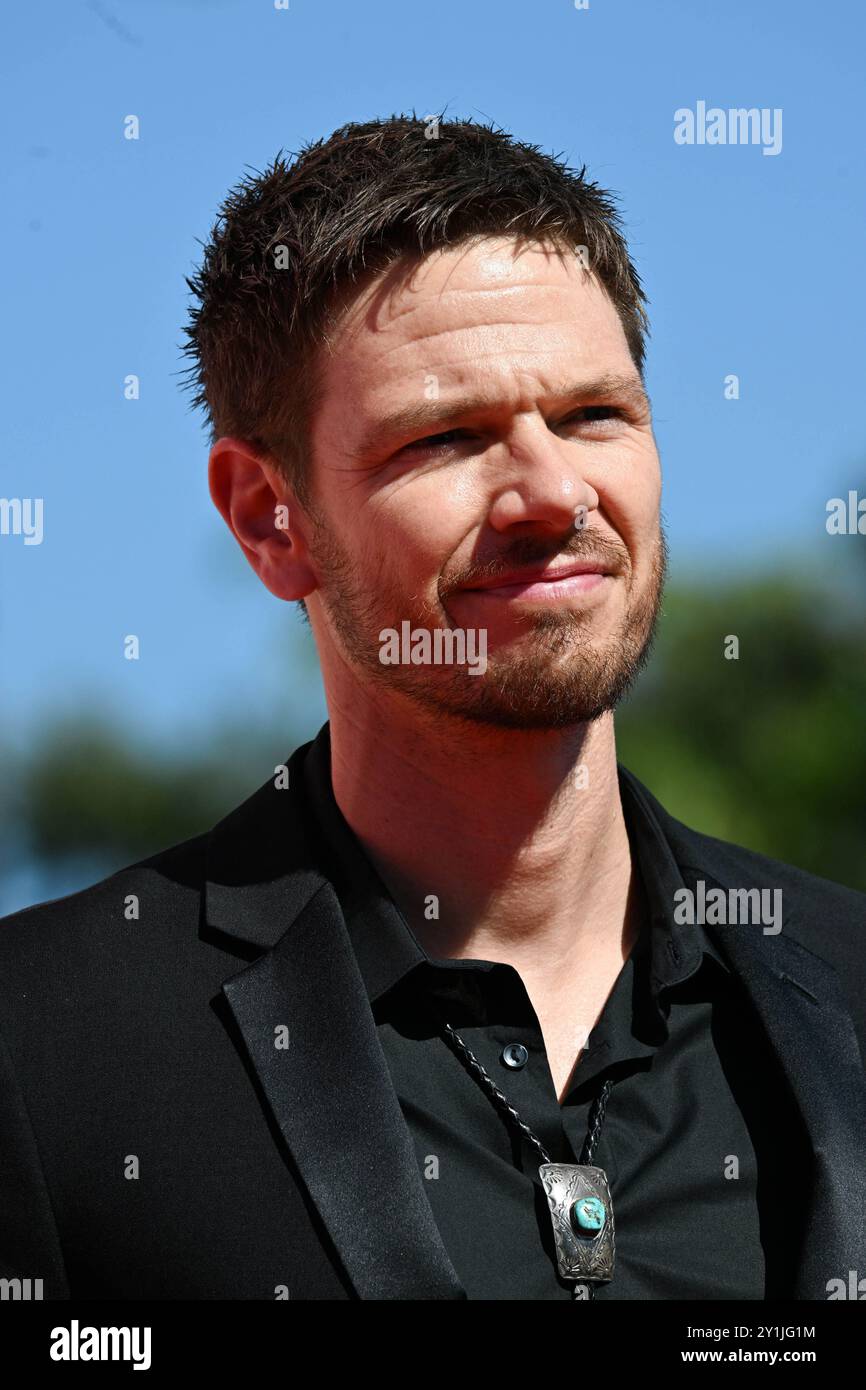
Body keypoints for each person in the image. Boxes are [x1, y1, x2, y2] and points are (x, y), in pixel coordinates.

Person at [2, 115, 864, 1302]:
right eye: (447, 436)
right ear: (268, 516)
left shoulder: (841, 984)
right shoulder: (44, 1043)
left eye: (594, 415)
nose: (553, 493)